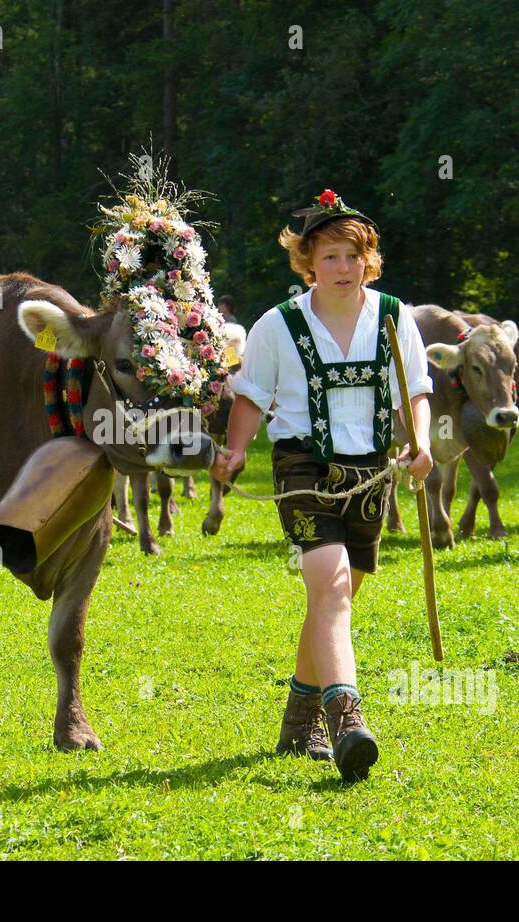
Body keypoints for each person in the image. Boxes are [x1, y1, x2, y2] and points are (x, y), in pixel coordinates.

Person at [210, 189, 433, 783]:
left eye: (351, 256)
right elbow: (252, 397)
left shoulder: (394, 316)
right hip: (303, 469)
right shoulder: (277, 325)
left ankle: (298, 714)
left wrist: (423, 442)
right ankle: (346, 717)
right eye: (329, 256)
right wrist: (235, 450)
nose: (341, 268)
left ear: (369, 260)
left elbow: (416, 390)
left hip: (372, 471)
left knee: (338, 594)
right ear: (308, 261)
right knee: (330, 587)